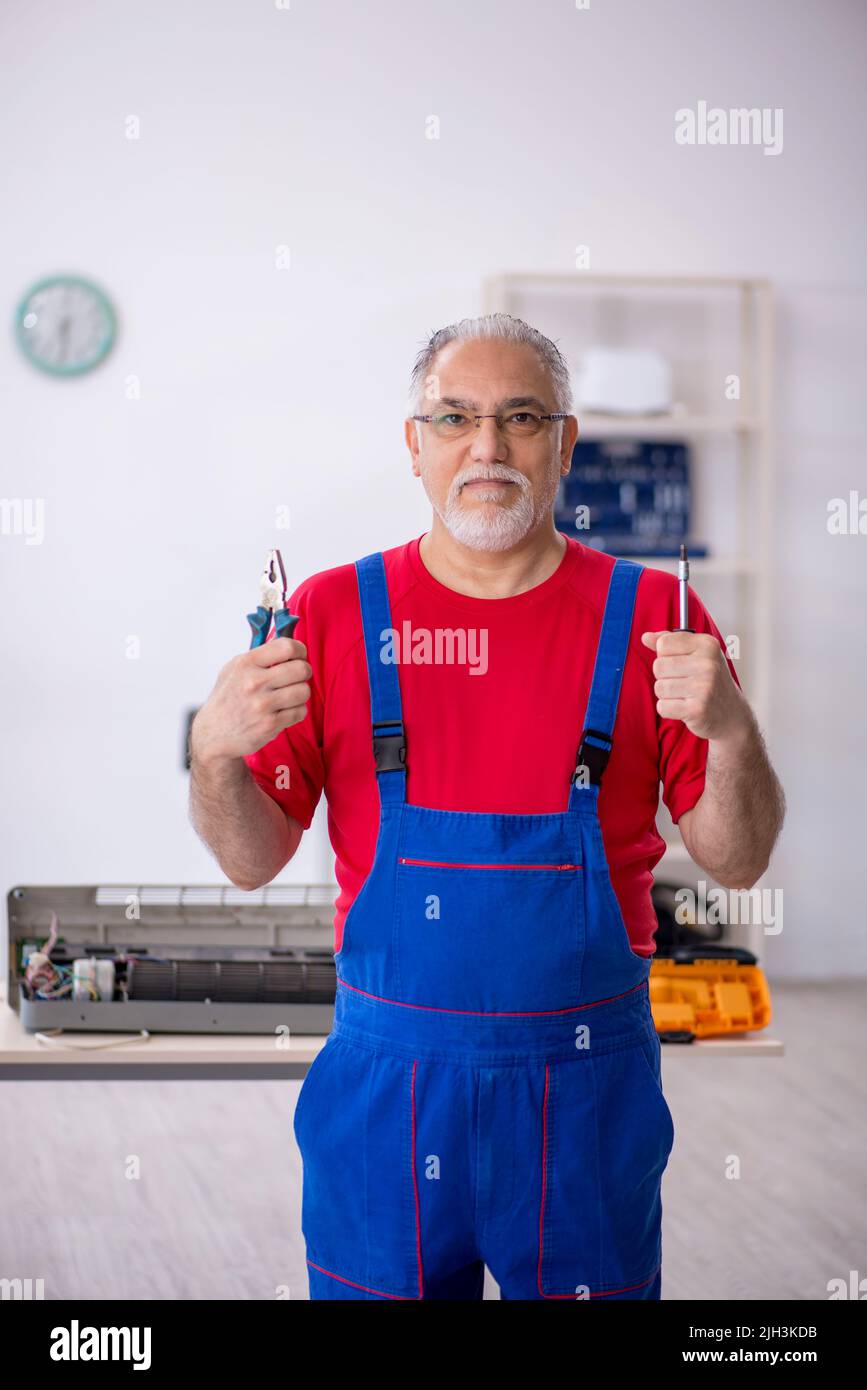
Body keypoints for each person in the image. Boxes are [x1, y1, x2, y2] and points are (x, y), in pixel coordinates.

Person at [189, 313, 785, 1300]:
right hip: (387, 1095)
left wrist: (731, 728)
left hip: (587, 1091)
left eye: (520, 418)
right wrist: (213, 756)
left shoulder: (656, 620)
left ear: (566, 443)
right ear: (414, 443)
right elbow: (252, 857)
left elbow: (739, 858)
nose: (488, 446)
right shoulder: (333, 617)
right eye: (456, 416)